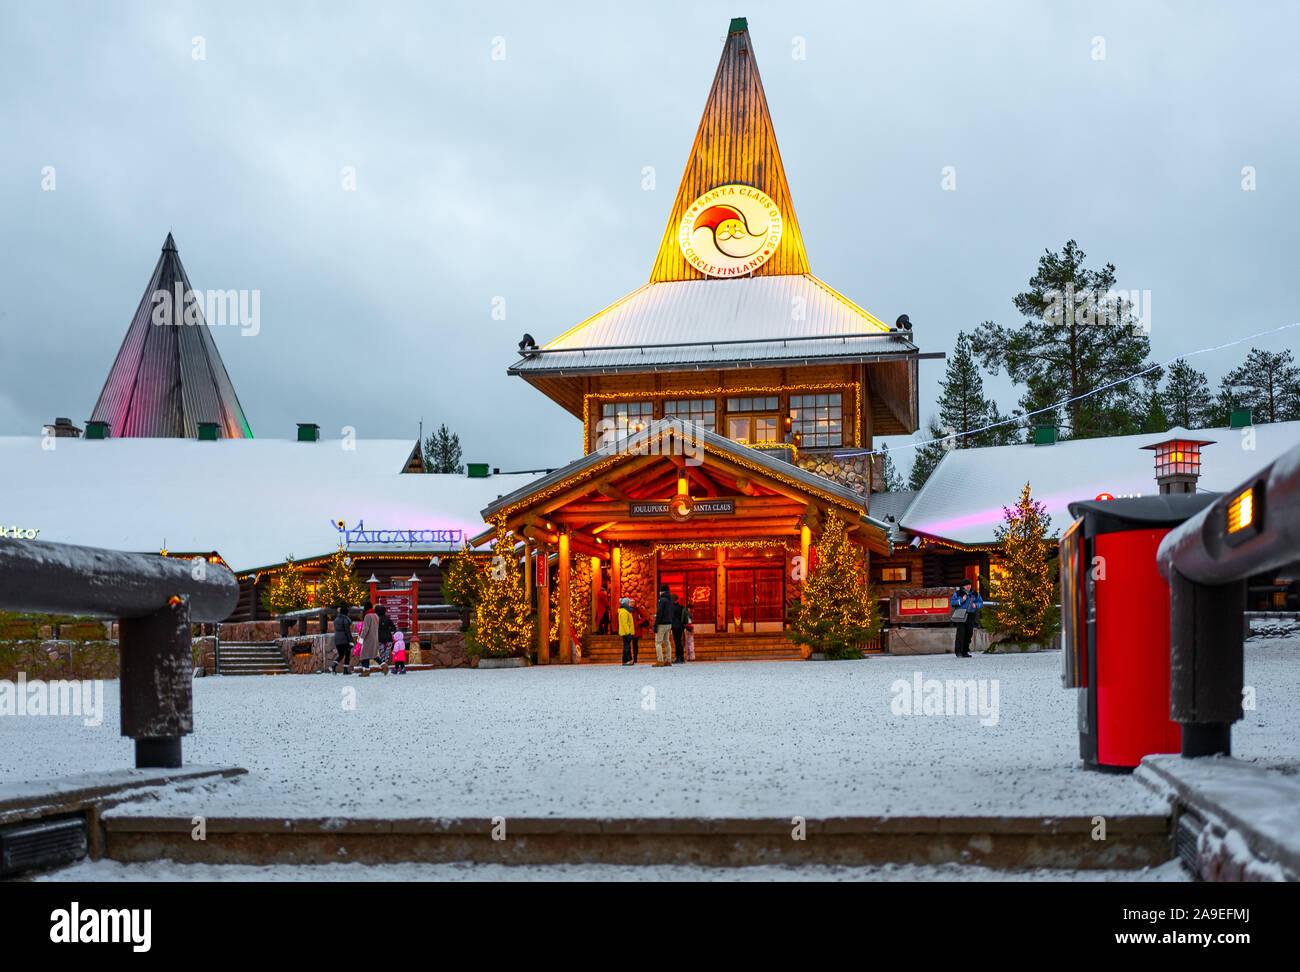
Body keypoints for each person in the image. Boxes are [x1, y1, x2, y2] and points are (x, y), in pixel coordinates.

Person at [950, 579, 983, 658]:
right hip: (961, 614)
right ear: (963, 586)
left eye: (969, 585)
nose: (968, 586)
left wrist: (976, 605)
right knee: (960, 634)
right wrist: (962, 600)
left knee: (969, 633)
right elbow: (952, 603)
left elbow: (980, 602)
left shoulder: (974, 593)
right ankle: (959, 652)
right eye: (966, 585)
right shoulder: (958, 593)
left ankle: (965, 652)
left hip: (971, 615)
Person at [653, 584, 675, 667]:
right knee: (667, 642)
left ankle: (660, 660)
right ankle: (668, 660)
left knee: (658, 642)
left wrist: (656, 624)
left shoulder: (662, 600)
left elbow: (659, 613)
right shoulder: (670, 600)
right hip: (669, 623)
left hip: (661, 624)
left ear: (662, 591)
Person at [358, 601, 380, 675]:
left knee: (364, 655)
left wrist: (361, 638)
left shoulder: (367, 616)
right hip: (375, 637)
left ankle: (366, 671)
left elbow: (366, 628)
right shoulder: (376, 615)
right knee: (373, 654)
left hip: (368, 638)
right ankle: (383, 665)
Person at [329, 604, 352, 674]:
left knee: (341, 655)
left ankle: (333, 665)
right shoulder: (345, 619)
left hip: (337, 639)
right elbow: (347, 631)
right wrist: (351, 640)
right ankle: (345, 670)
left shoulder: (336, 619)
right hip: (344, 639)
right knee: (347, 654)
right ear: (345, 613)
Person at [376, 604, 395, 675]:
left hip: (379, 638)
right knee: (386, 653)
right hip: (388, 638)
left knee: (381, 653)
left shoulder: (376, 619)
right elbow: (393, 628)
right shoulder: (388, 619)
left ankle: (383, 667)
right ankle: (386, 666)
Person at [618, 597, 636, 665]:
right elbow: (625, 623)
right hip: (626, 633)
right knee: (626, 647)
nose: (630, 604)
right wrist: (628, 632)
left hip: (628, 632)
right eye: (629, 603)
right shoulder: (624, 612)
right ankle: (625, 660)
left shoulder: (627, 611)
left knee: (627, 646)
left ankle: (628, 659)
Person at [671, 593, 687, 664]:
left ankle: (678, 657)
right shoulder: (681, 607)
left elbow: (671, 618)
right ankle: (682, 657)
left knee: (677, 642)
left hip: (675, 626)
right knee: (680, 642)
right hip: (681, 626)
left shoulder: (672, 608)